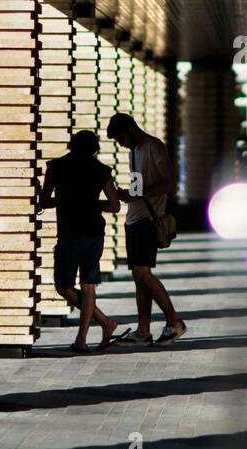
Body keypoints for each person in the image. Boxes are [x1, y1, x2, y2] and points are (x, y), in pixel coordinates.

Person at [37, 129, 125, 352]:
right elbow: (115, 206)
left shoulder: (55, 167)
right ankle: (92, 332)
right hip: (94, 232)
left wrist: (65, 201)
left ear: (72, 145)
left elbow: (45, 201)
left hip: (69, 233)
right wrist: (92, 204)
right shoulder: (101, 170)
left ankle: (96, 329)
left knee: (63, 285)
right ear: (95, 148)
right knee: (88, 284)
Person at [106, 113, 186, 345]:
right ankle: (143, 331)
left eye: (121, 138)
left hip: (148, 221)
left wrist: (138, 194)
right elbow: (140, 187)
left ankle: (175, 322)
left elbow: (170, 183)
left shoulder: (154, 146)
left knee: (144, 275)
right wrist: (128, 195)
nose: (120, 144)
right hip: (134, 219)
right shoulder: (134, 152)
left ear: (131, 130)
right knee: (139, 279)